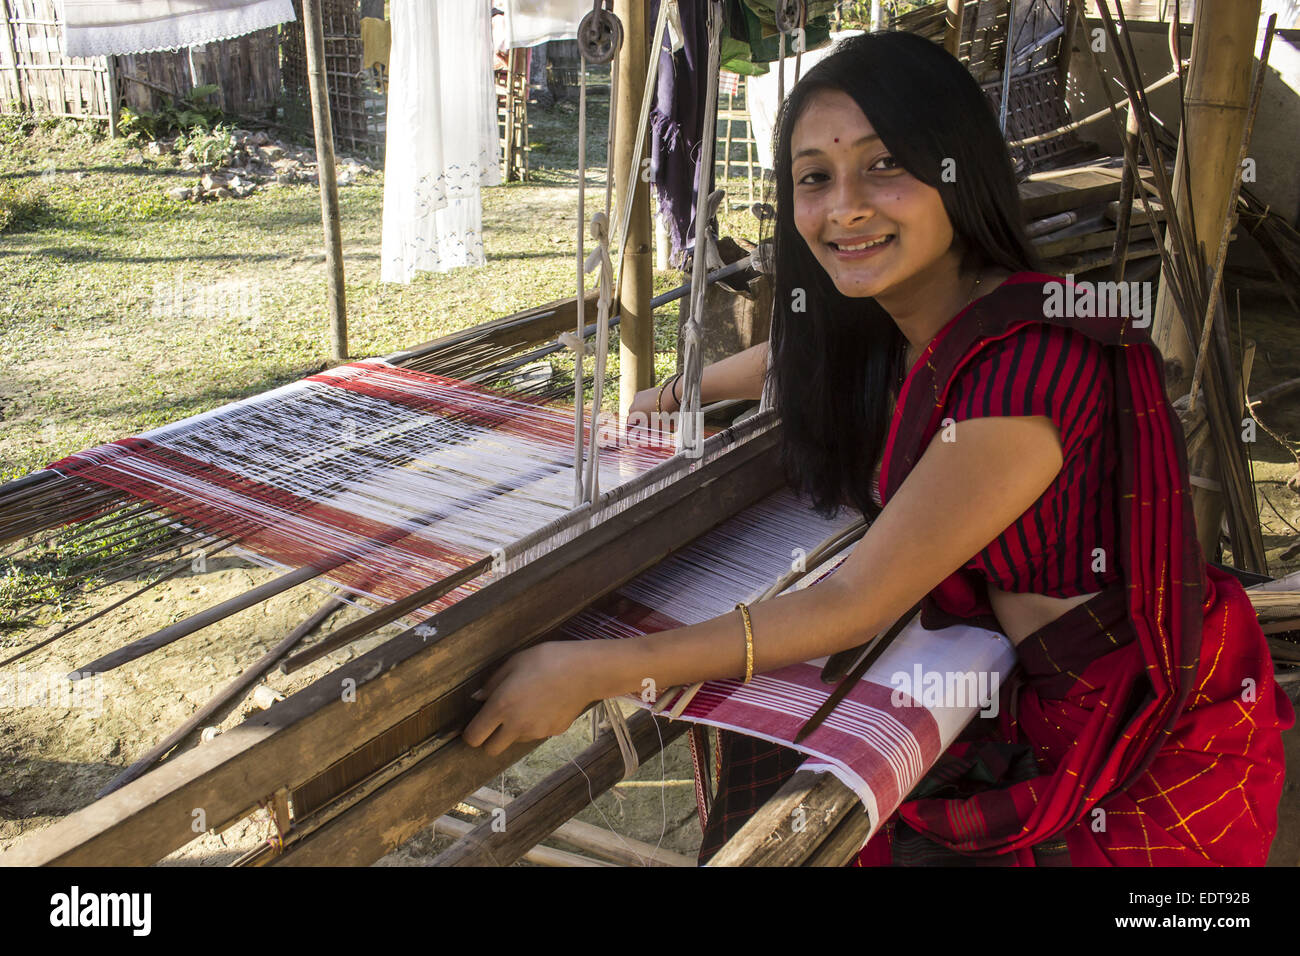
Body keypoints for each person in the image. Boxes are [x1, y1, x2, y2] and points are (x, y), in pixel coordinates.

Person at [462, 31, 1294, 865]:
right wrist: (680, 392)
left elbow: (851, 605)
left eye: (883, 165)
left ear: (955, 171)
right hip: (1031, 682)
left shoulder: (1031, 367)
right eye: (814, 178)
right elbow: (806, 362)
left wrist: (595, 669)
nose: (845, 206)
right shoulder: (919, 315)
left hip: (1136, 731)